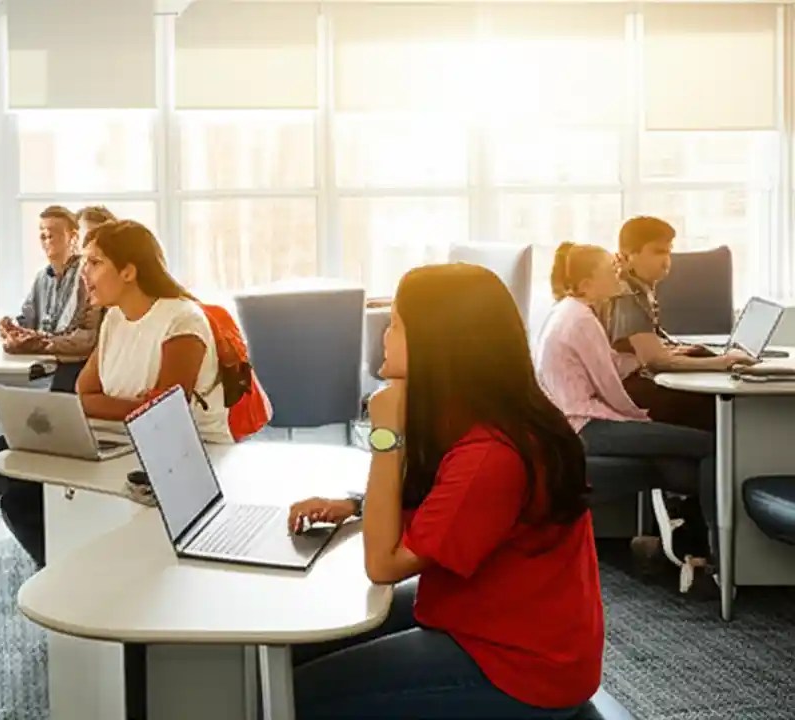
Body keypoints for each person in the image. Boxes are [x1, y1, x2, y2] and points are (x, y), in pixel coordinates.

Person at [287, 263, 603, 719]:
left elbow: (384, 564)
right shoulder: (487, 420)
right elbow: (451, 504)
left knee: (287, 693)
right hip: (495, 625)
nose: (384, 337)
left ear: (440, 346)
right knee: (294, 645)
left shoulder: (493, 453)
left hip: (520, 667)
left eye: (396, 324)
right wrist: (355, 505)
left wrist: (387, 435)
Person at [0, 219, 231, 567]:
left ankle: (77, 575)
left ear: (128, 272)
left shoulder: (182, 320)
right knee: (18, 498)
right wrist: (136, 405)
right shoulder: (115, 319)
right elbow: (85, 393)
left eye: (94, 263)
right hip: (124, 442)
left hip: (187, 453)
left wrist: (129, 406)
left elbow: (163, 413)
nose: (84, 274)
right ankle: (65, 573)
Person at [538, 241, 716, 577]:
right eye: (609, 270)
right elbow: (610, 388)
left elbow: (607, 364)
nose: (617, 273)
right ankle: (716, 549)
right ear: (588, 284)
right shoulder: (582, 321)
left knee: (671, 452)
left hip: (575, 420)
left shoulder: (568, 310)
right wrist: (640, 417)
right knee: (707, 444)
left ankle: (687, 546)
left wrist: (657, 356)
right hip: (587, 425)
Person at [606, 216, 754, 431]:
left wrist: (675, 349)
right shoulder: (627, 295)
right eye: (657, 252)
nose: (666, 260)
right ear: (629, 256)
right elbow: (655, 361)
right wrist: (723, 362)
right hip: (634, 391)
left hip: (641, 381)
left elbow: (651, 346)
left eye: (668, 251)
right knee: (721, 411)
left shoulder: (640, 288)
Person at [0, 205, 101, 392]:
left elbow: (87, 338)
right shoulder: (41, 278)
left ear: (73, 237)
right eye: (42, 234)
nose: (47, 238)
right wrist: (12, 330)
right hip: (42, 360)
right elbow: (26, 321)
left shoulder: (87, 277)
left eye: (53, 233)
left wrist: (42, 344)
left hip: (73, 365)